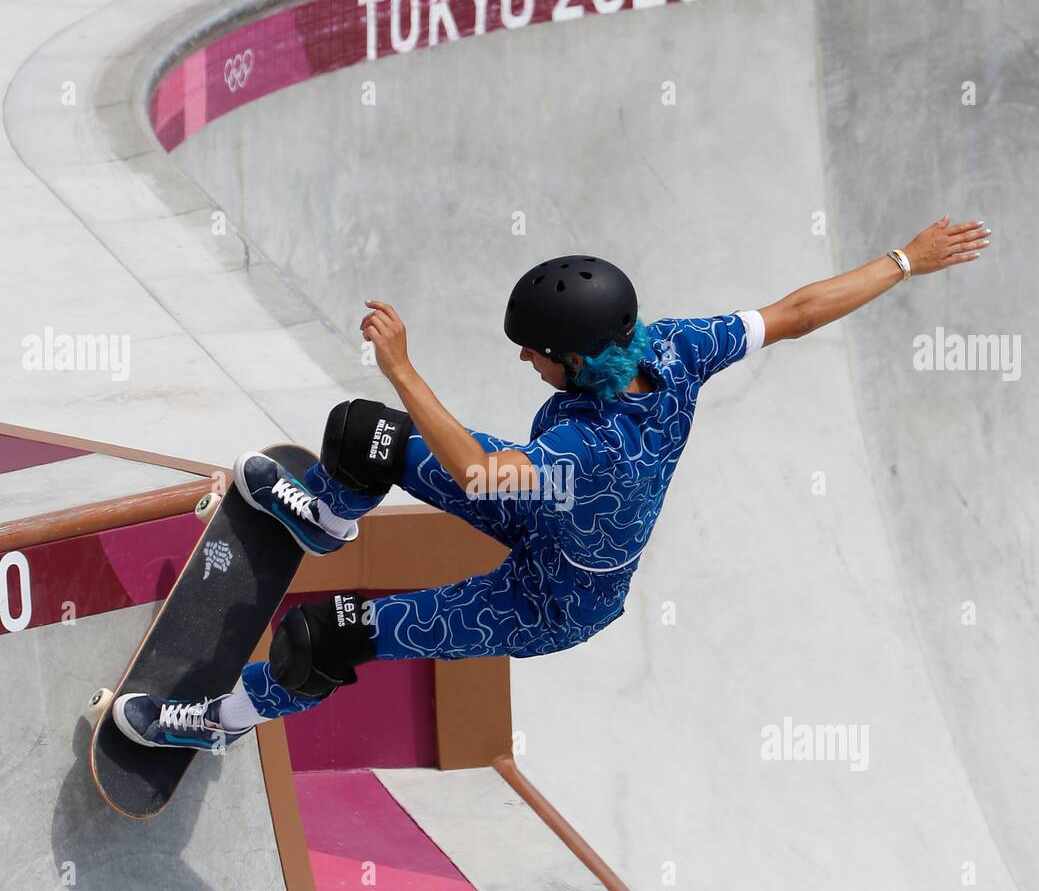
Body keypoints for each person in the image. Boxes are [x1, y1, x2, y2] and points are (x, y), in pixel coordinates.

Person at [114, 219, 991, 750]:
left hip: (553, 599)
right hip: (545, 508)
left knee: (320, 636)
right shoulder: (673, 348)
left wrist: (404, 368)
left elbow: (472, 470)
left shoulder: (594, 446)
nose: (523, 362)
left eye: (530, 353)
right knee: (359, 434)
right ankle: (325, 525)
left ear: (573, 358)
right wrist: (904, 260)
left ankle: (222, 720)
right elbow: (795, 313)